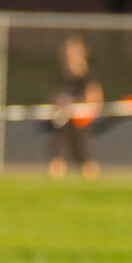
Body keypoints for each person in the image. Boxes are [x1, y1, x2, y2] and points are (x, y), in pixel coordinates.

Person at [47, 37, 104, 181]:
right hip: (63, 118)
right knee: (56, 151)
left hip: (80, 120)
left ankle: (92, 181)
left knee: (82, 155)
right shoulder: (62, 73)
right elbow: (54, 95)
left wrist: (79, 107)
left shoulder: (87, 74)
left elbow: (94, 97)